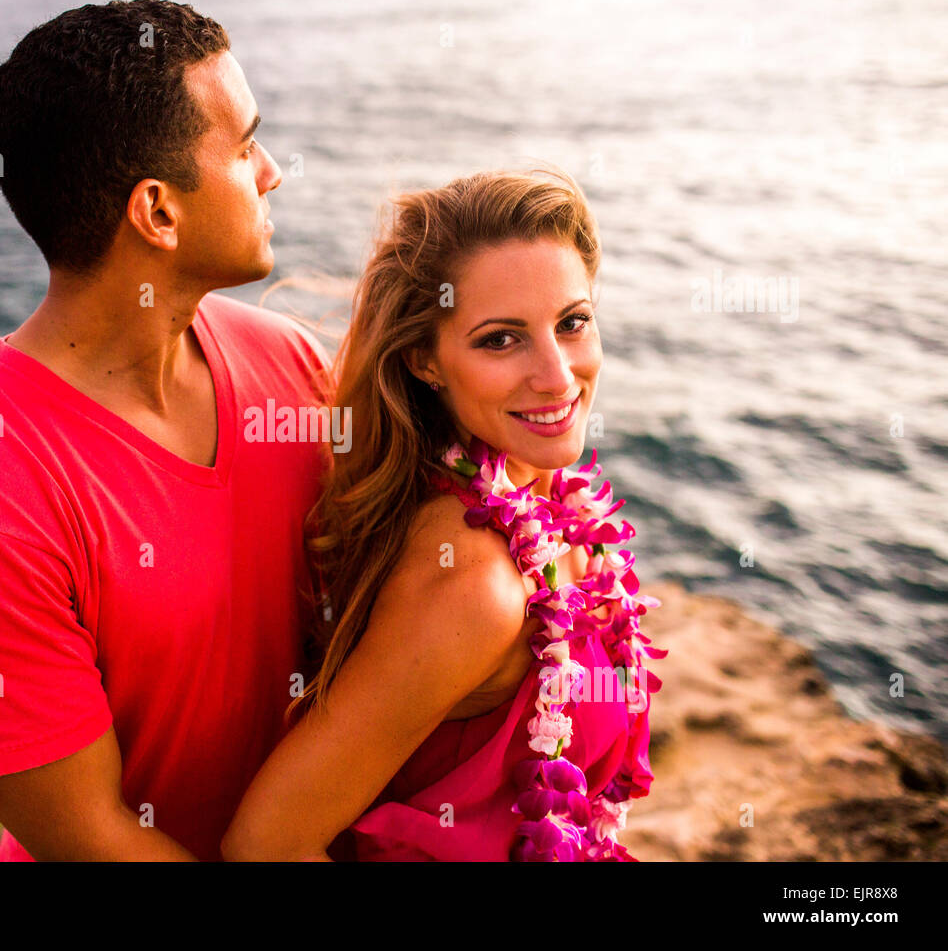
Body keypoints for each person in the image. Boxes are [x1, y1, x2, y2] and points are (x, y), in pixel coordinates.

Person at [0, 1, 526, 862]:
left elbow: (409, 581)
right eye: (244, 146)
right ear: (157, 212)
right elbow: (94, 841)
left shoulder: (290, 362)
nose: (272, 172)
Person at [221, 166, 666, 861]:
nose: (557, 374)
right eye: (500, 339)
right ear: (426, 361)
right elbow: (267, 843)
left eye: (572, 323)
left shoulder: (545, 496)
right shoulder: (475, 586)